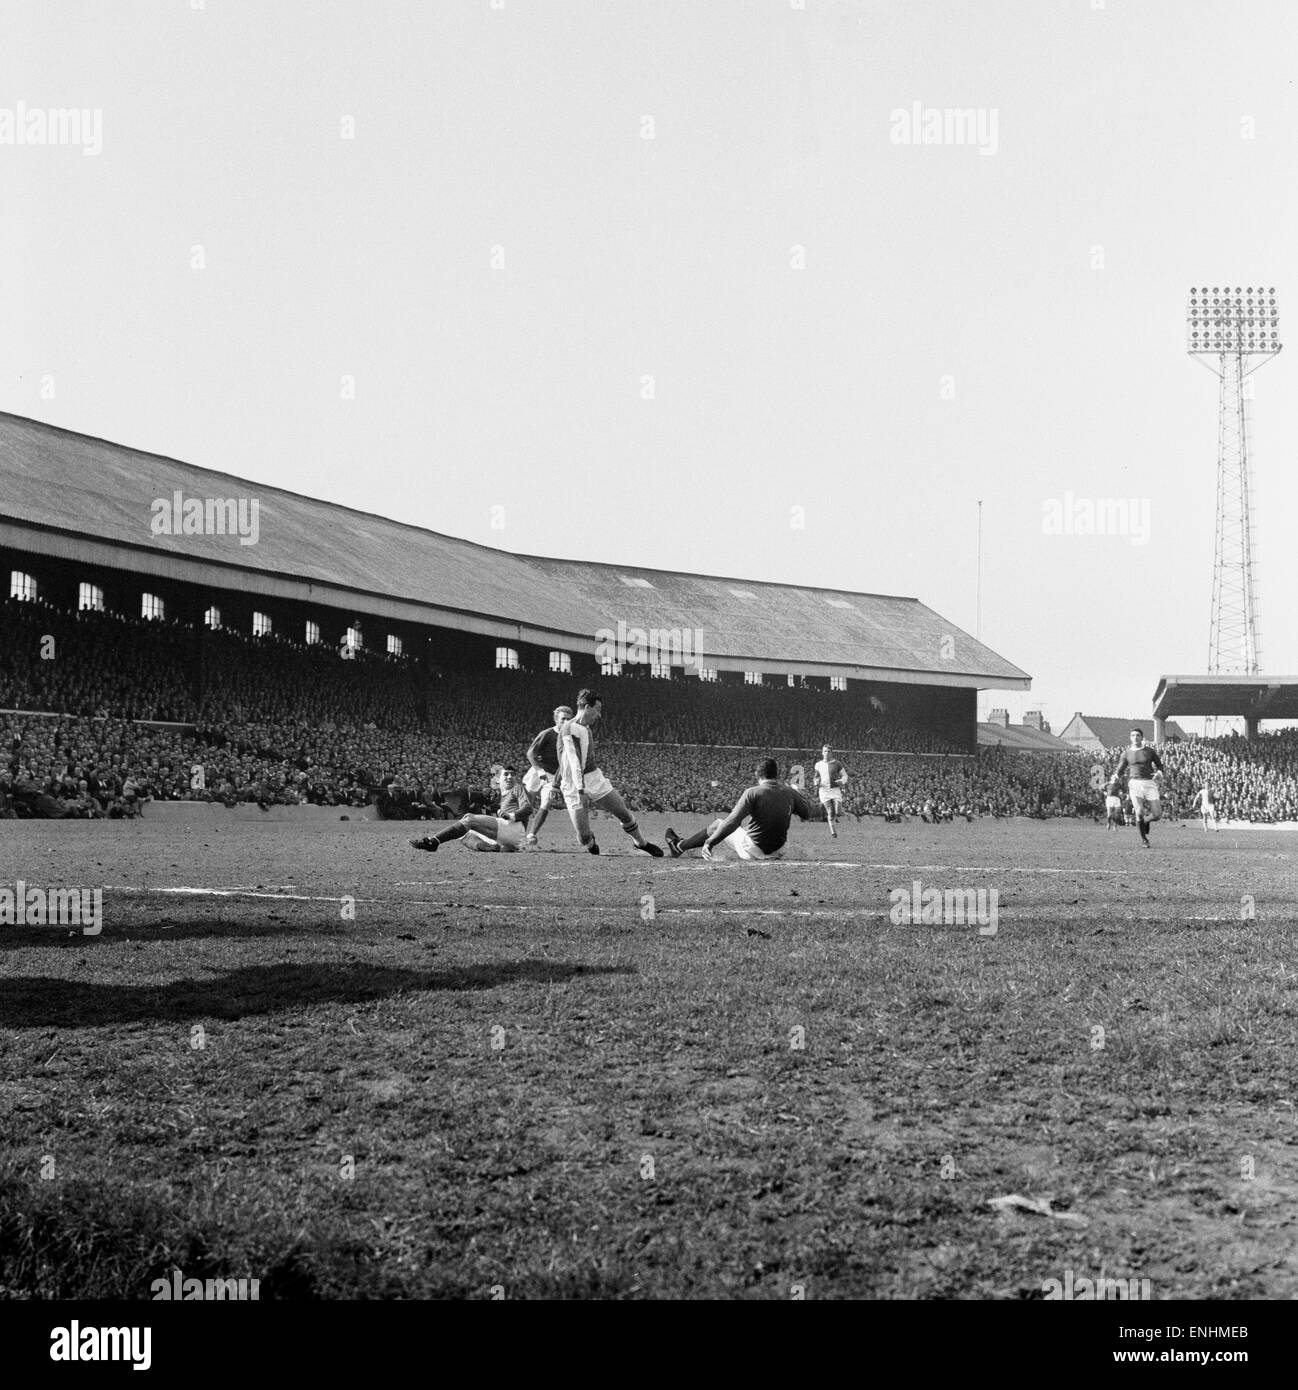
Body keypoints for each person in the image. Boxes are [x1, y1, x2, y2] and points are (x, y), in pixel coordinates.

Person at [557, 689, 662, 856]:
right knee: (583, 836)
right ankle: (590, 842)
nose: (599, 714)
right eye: (597, 709)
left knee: (623, 813)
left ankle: (641, 843)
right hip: (574, 785)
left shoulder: (587, 729)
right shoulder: (569, 729)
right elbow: (572, 761)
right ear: (586, 707)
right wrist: (580, 789)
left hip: (593, 777)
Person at [665, 758, 811, 861]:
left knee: (718, 823)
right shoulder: (789, 792)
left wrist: (710, 842)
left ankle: (679, 846)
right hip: (778, 851)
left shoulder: (753, 792)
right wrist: (798, 793)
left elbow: (732, 822)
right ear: (776, 775)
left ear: (757, 775)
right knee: (750, 827)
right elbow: (807, 813)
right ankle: (682, 845)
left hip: (754, 851)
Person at [410, 766, 533, 853]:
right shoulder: (504, 794)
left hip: (514, 829)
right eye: (506, 774)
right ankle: (495, 848)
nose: (510, 777)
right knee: (463, 835)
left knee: (469, 818)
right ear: (498, 779)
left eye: (513, 774)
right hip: (510, 837)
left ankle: (433, 841)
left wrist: (511, 815)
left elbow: (528, 808)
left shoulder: (518, 788)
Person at [522, 705, 572, 849]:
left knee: (547, 803)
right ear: (556, 719)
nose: (566, 722)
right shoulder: (547, 733)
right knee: (526, 803)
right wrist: (539, 770)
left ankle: (532, 834)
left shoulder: (571, 738)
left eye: (569, 719)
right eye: (563, 719)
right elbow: (531, 753)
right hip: (538, 772)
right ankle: (516, 833)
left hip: (553, 777)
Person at [1108, 728, 1165, 848]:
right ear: (1130, 738)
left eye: (1138, 735)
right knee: (1139, 812)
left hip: (1149, 783)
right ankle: (1144, 840)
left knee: (1157, 815)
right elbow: (1120, 769)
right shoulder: (1126, 753)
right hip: (1135, 783)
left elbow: (1160, 765)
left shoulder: (1149, 751)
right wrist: (1115, 776)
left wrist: (1159, 773)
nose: (1135, 737)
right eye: (1133, 735)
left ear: (1142, 737)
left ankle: (1145, 821)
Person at [813, 743, 848, 838]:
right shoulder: (818, 765)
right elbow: (816, 777)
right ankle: (833, 831)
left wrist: (842, 781)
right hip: (824, 791)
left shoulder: (837, 763)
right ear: (822, 752)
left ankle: (841, 810)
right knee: (830, 812)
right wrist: (816, 782)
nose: (827, 753)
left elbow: (845, 775)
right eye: (825, 751)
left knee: (838, 812)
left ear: (831, 752)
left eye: (828, 751)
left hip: (835, 789)